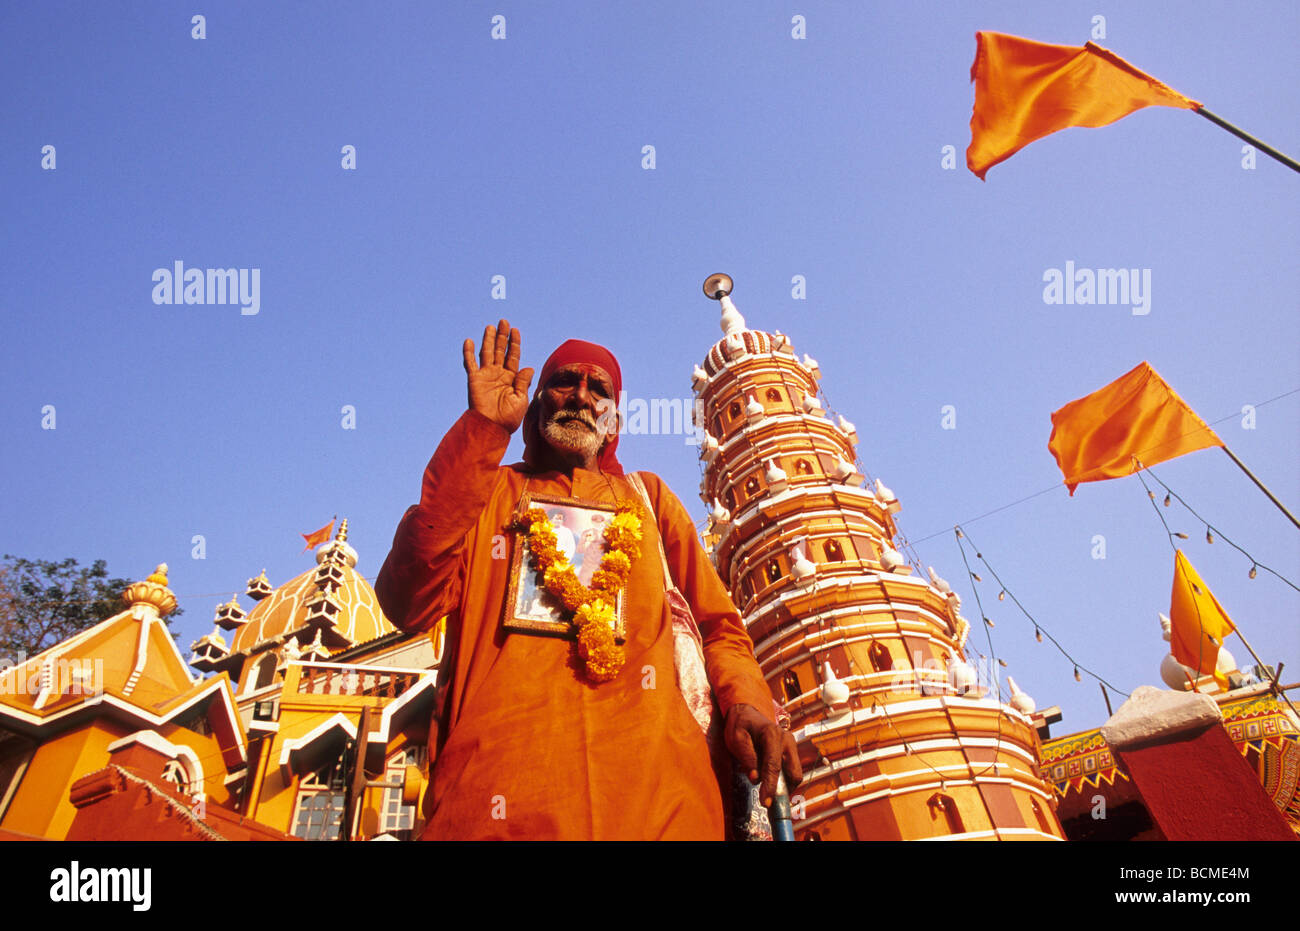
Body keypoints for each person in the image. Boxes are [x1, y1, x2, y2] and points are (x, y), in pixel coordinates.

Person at [375, 319, 800, 840]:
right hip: (496, 802)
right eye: (564, 382)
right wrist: (482, 432)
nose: (580, 395)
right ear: (536, 405)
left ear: (613, 417)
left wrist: (748, 703)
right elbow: (407, 598)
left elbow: (720, 628)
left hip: (661, 805)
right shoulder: (489, 492)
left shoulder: (650, 501)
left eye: (598, 388)